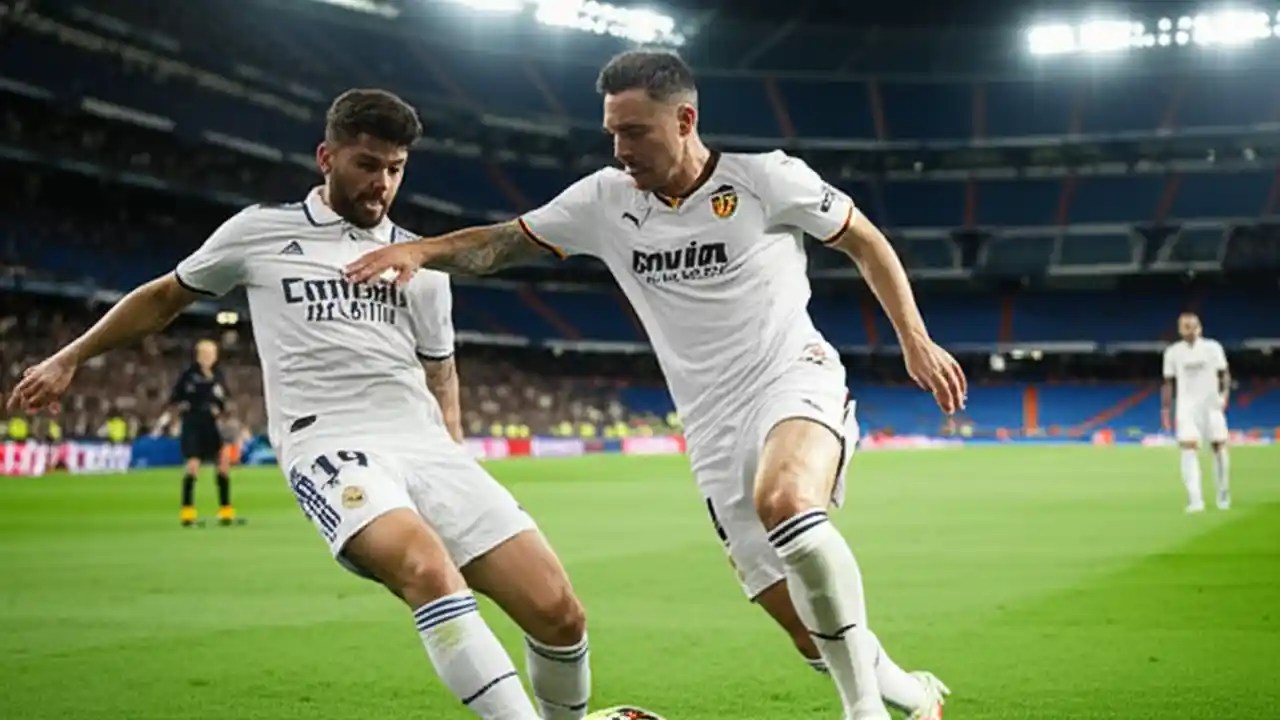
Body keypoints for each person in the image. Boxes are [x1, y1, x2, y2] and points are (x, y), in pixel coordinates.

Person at [344, 51, 965, 720]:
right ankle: (914, 695)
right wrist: (419, 250)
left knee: (785, 500)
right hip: (710, 425)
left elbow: (865, 241)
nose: (620, 148)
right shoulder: (604, 201)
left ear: (685, 120)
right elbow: (501, 243)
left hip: (791, 373)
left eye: (635, 131)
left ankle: (863, 709)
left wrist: (914, 338)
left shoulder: (766, 181)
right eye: (612, 132)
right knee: (801, 623)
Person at [9, 88, 591, 720]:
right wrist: (68, 356)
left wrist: (455, 453)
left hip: (423, 444)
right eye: (367, 164)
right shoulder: (259, 232)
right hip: (330, 443)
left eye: (395, 169)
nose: (382, 184)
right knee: (427, 570)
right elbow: (163, 299)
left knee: (559, 612)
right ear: (327, 156)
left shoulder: (421, 262)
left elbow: (441, 370)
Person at [157, 338, 237, 526]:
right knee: (193, 465)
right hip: (193, 423)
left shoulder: (218, 375)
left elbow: (225, 398)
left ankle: (226, 511)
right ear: (199, 355)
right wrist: (187, 404)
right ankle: (188, 512)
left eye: (213, 354)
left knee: (223, 464)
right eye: (207, 354)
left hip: (213, 423)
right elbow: (175, 398)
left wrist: (221, 407)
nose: (210, 357)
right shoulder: (189, 375)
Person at [1161, 312, 1231, 513]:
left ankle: (1223, 492)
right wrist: (1166, 409)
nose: (1189, 329)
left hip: (1211, 405)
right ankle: (1195, 499)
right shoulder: (1173, 352)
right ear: (1179, 329)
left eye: (1192, 325)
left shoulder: (1212, 348)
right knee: (1188, 449)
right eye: (1185, 326)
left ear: (1199, 327)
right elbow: (1168, 383)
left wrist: (1224, 396)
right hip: (1187, 407)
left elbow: (1224, 374)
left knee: (1219, 447)